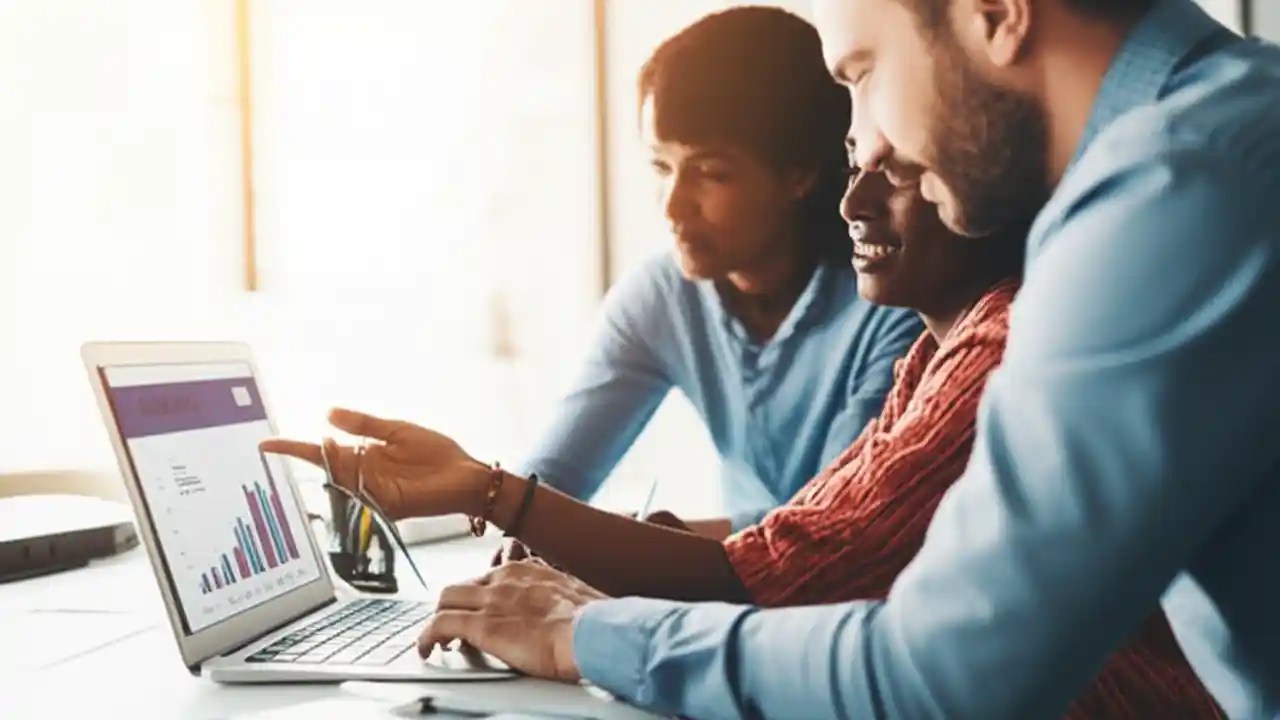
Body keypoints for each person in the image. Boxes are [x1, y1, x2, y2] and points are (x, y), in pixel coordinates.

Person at [350, 1, 1277, 718]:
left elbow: (942, 673)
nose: (864, 148)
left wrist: (582, 634)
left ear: (997, 11)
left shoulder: (1182, 187)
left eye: (863, 71)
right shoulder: (1225, 138)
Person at [264, 155, 1221, 716]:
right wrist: (530, 530)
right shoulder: (940, 347)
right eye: (857, 165)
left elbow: (786, 573)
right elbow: (808, 533)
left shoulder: (991, 347)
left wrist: (509, 519)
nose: (855, 202)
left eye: (902, 169)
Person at [510, 7, 920, 536]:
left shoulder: (891, 303)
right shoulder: (662, 297)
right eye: (661, 167)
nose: (673, 206)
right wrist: (515, 530)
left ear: (799, 174)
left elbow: (830, 527)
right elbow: (548, 482)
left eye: (709, 173)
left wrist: (646, 541)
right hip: (719, 595)